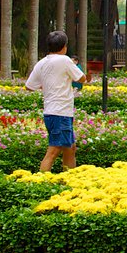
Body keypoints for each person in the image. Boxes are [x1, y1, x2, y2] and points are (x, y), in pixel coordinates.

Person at [24, 30, 88, 173]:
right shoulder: (65, 60)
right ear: (64, 46)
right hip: (61, 112)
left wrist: (48, 84)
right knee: (54, 150)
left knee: (70, 148)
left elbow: (29, 86)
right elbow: (81, 78)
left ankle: (70, 178)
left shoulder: (42, 63)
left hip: (52, 112)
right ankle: (40, 181)